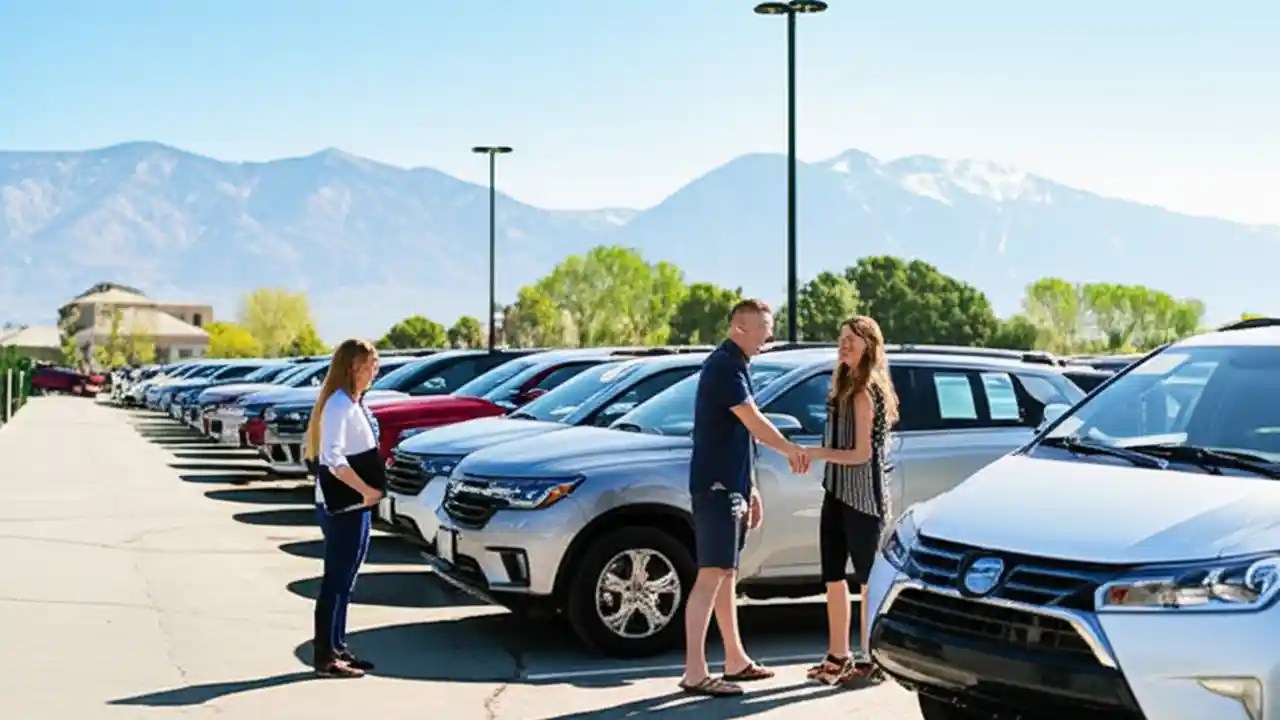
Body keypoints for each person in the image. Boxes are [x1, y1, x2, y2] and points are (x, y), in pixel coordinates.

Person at [679, 299, 812, 697]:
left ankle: (734, 660)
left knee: (726, 575)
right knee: (711, 576)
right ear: (740, 328)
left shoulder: (738, 365)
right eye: (763, 329)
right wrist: (790, 450)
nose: (768, 337)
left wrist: (750, 487)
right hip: (716, 488)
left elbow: (737, 435)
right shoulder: (724, 367)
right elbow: (753, 422)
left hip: (731, 487)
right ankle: (695, 673)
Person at [805, 315, 899, 685]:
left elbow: (861, 454)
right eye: (841, 337)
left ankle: (869, 659)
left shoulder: (864, 392)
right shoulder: (840, 388)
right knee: (832, 576)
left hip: (863, 499)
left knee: (867, 581)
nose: (844, 344)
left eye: (853, 339)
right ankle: (837, 655)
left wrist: (817, 453)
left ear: (869, 346)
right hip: (836, 493)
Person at [303, 339, 386, 678]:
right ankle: (324, 655)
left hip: (357, 504)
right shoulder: (338, 404)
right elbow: (333, 459)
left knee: (347, 579)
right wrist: (366, 490)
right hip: (344, 505)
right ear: (352, 368)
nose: (373, 372)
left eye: (376, 365)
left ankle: (338, 646)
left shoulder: (354, 403)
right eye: (369, 365)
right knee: (335, 580)